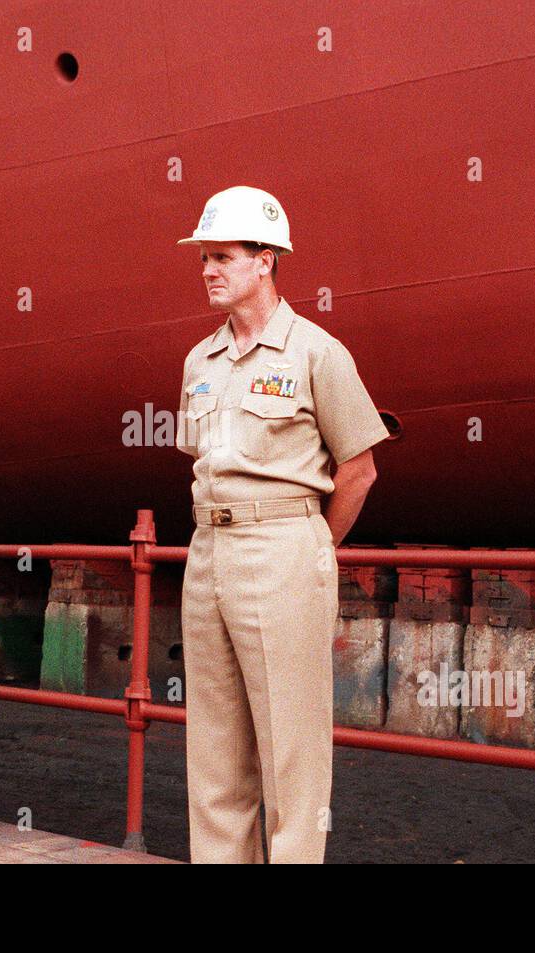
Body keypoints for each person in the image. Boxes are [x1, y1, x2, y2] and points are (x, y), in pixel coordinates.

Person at [174, 186, 386, 863]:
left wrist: (313, 544)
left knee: (291, 753)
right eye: (205, 257)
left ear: (266, 260)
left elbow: (359, 468)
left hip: (285, 544)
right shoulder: (199, 362)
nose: (209, 268)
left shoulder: (317, 353)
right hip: (208, 548)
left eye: (224, 256)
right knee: (213, 749)